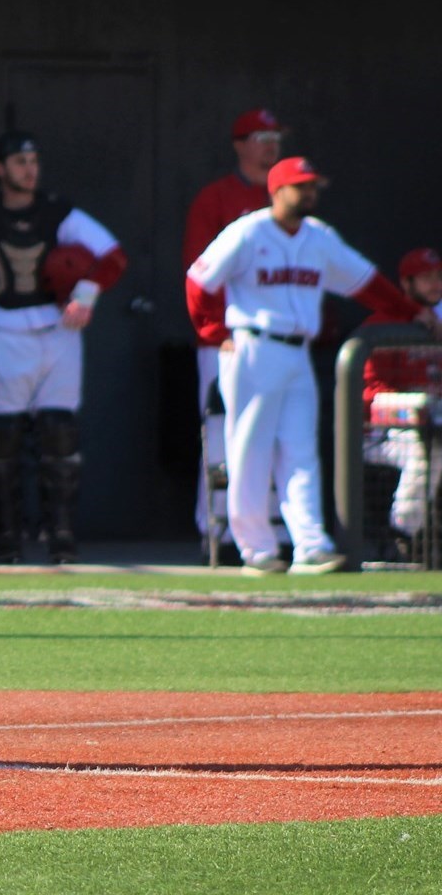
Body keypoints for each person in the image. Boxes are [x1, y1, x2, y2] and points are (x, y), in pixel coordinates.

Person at [186, 157, 442, 576]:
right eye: (301, 186)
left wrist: (409, 311)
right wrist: (214, 331)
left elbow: (366, 282)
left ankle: (310, 545)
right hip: (253, 345)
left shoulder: (318, 238)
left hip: (297, 351)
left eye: (312, 187)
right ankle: (256, 550)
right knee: (250, 451)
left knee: (301, 450)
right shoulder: (248, 232)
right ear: (277, 190)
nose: (310, 193)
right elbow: (199, 280)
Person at [0, 131, 127, 565]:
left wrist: (86, 292)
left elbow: (113, 255)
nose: (29, 169)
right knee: (4, 437)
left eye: (33, 160)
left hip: (60, 332)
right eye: (19, 161)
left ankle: (61, 540)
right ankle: (7, 543)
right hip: (6, 334)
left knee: (60, 434)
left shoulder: (59, 213)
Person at [181, 107, 282, 550]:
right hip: (226, 339)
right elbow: (198, 271)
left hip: (278, 339)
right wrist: (214, 331)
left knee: (278, 432)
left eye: (275, 136)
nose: (270, 144)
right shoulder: (216, 198)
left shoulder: (288, 200)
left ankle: (274, 531)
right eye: (260, 136)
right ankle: (216, 529)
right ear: (239, 145)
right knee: (222, 431)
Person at [360, 248, 442, 559]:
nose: (435, 284)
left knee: (434, 446)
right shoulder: (381, 324)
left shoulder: (436, 324)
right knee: (422, 450)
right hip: (378, 434)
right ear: (406, 284)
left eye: (438, 277)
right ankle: (402, 536)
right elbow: (368, 395)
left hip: (429, 428)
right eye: (426, 278)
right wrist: (417, 407)